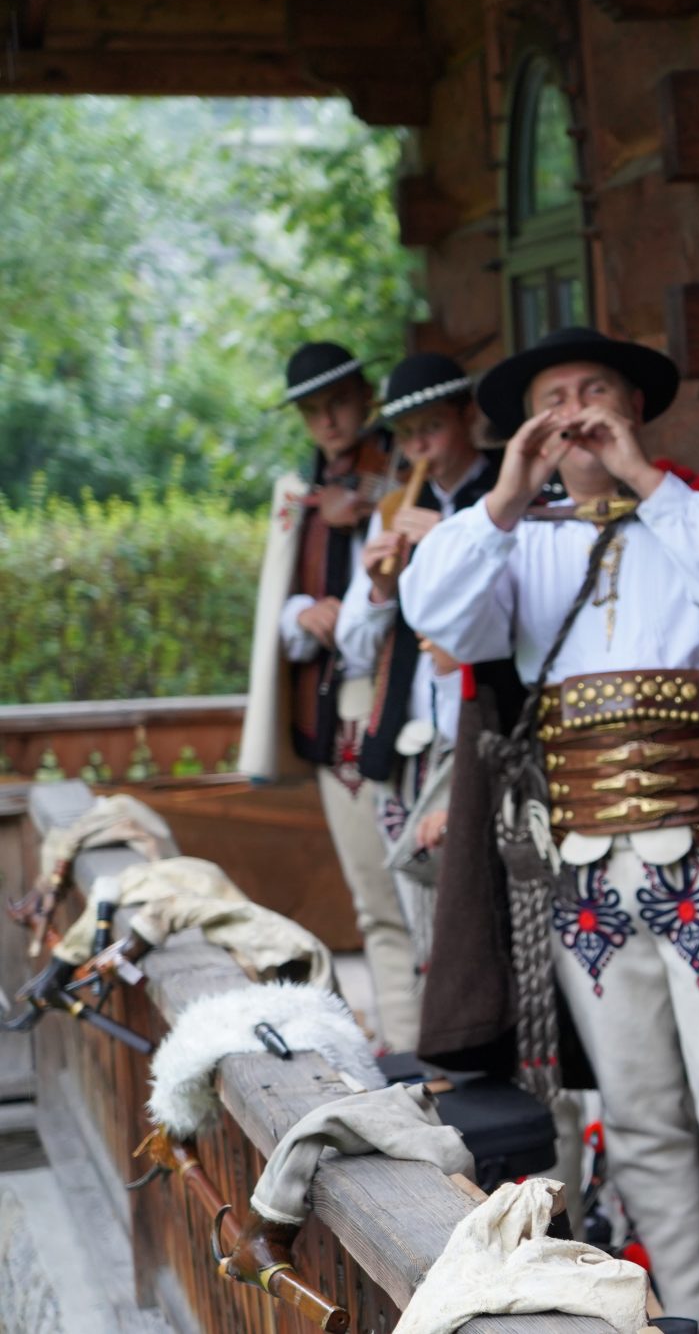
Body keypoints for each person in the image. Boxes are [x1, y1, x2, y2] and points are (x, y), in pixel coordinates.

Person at [399, 326, 699, 1334]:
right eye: (553, 398)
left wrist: (638, 477)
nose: (575, 411)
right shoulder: (519, 542)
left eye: (595, 393)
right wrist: (504, 492)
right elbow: (440, 617)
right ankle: (686, 1318)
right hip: (583, 873)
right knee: (639, 1120)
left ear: (633, 409)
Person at [335, 352, 508, 1000]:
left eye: (431, 428)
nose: (417, 449)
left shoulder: (508, 496)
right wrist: (379, 589)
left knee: (490, 907)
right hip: (410, 738)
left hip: (483, 732)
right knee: (421, 910)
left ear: (468, 415)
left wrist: (448, 540)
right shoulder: (390, 514)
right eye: (405, 436)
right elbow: (353, 649)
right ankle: (449, 1059)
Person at [272, 340, 419, 1051]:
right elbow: (281, 600)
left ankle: (438, 1053)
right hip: (337, 713)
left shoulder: (400, 472)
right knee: (376, 902)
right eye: (312, 411)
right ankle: (409, 1053)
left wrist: (365, 511)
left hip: (400, 706)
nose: (328, 420)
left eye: (338, 402)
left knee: (417, 895)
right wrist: (303, 611)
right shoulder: (304, 492)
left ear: (364, 397)